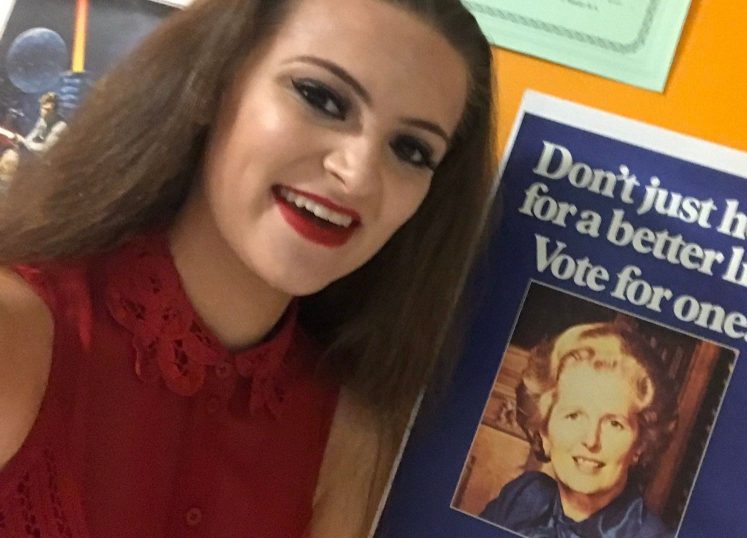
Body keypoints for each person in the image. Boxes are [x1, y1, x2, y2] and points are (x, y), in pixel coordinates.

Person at [0, 0, 494, 536]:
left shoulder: (349, 436)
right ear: (212, 83)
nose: (358, 175)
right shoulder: (18, 333)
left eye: (411, 149)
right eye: (322, 98)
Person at [480, 322, 677, 538]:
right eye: (573, 415)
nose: (591, 439)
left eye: (614, 423)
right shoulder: (524, 497)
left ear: (640, 444)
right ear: (543, 429)